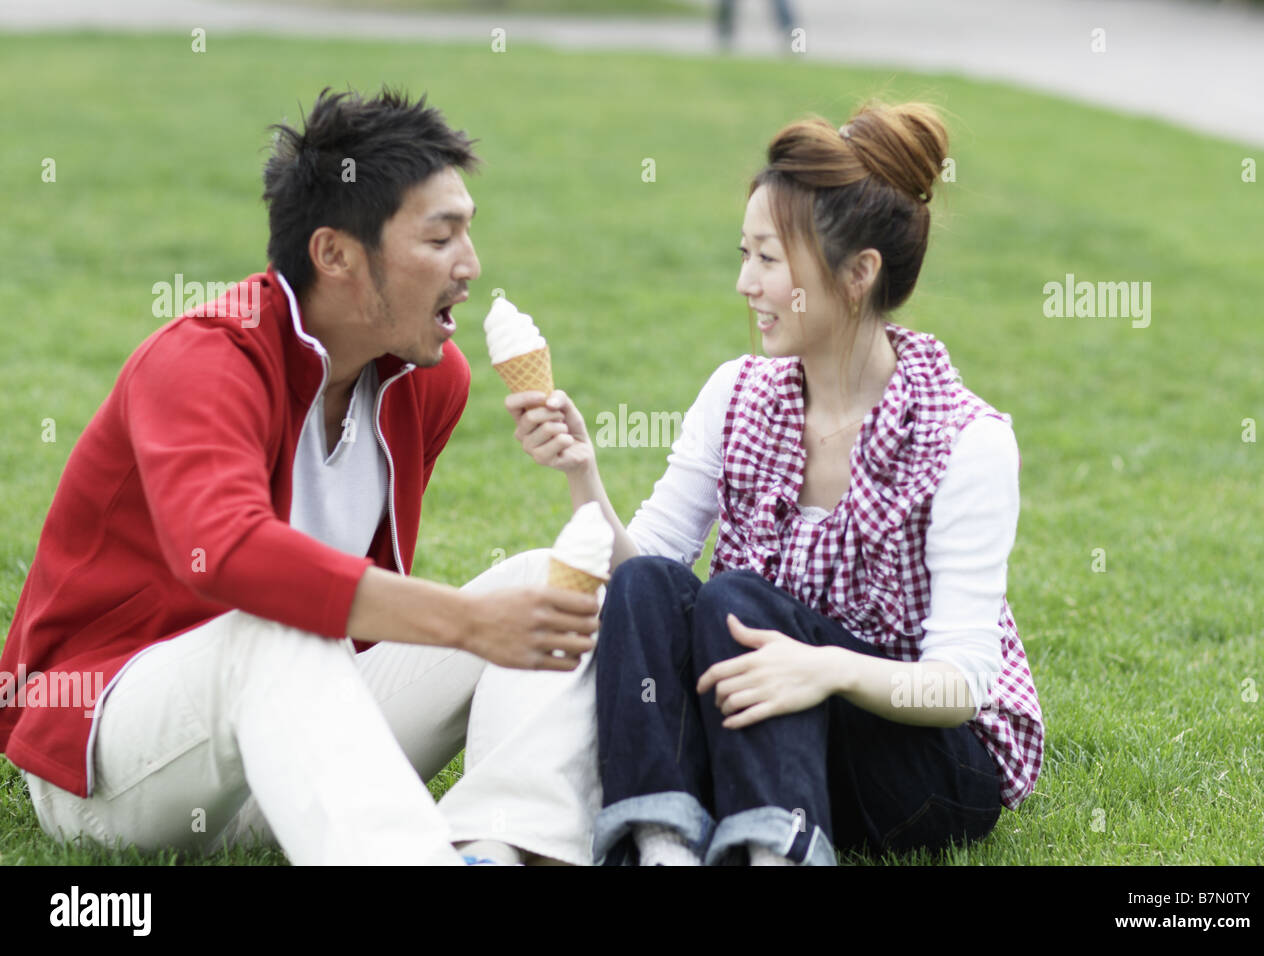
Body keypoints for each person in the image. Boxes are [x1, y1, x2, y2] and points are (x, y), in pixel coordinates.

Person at [0, 87, 603, 866]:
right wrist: (461, 622)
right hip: (112, 770)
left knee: (543, 583)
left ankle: (498, 847)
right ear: (336, 254)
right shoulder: (201, 362)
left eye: (468, 234)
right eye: (440, 237)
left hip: (293, 758)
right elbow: (225, 555)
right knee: (270, 624)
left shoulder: (431, 380)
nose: (470, 265)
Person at [507, 100, 1044, 865]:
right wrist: (580, 474)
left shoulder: (965, 440)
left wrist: (823, 669)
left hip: (923, 763)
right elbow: (641, 585)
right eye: (744, 253)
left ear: (858, 274)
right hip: (770, 728)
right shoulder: (736, 393)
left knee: (735, 600)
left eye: (767, 258)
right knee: (656, 587)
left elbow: (958, 684)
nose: (744, 283)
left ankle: (774, 850)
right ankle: (659, 843)